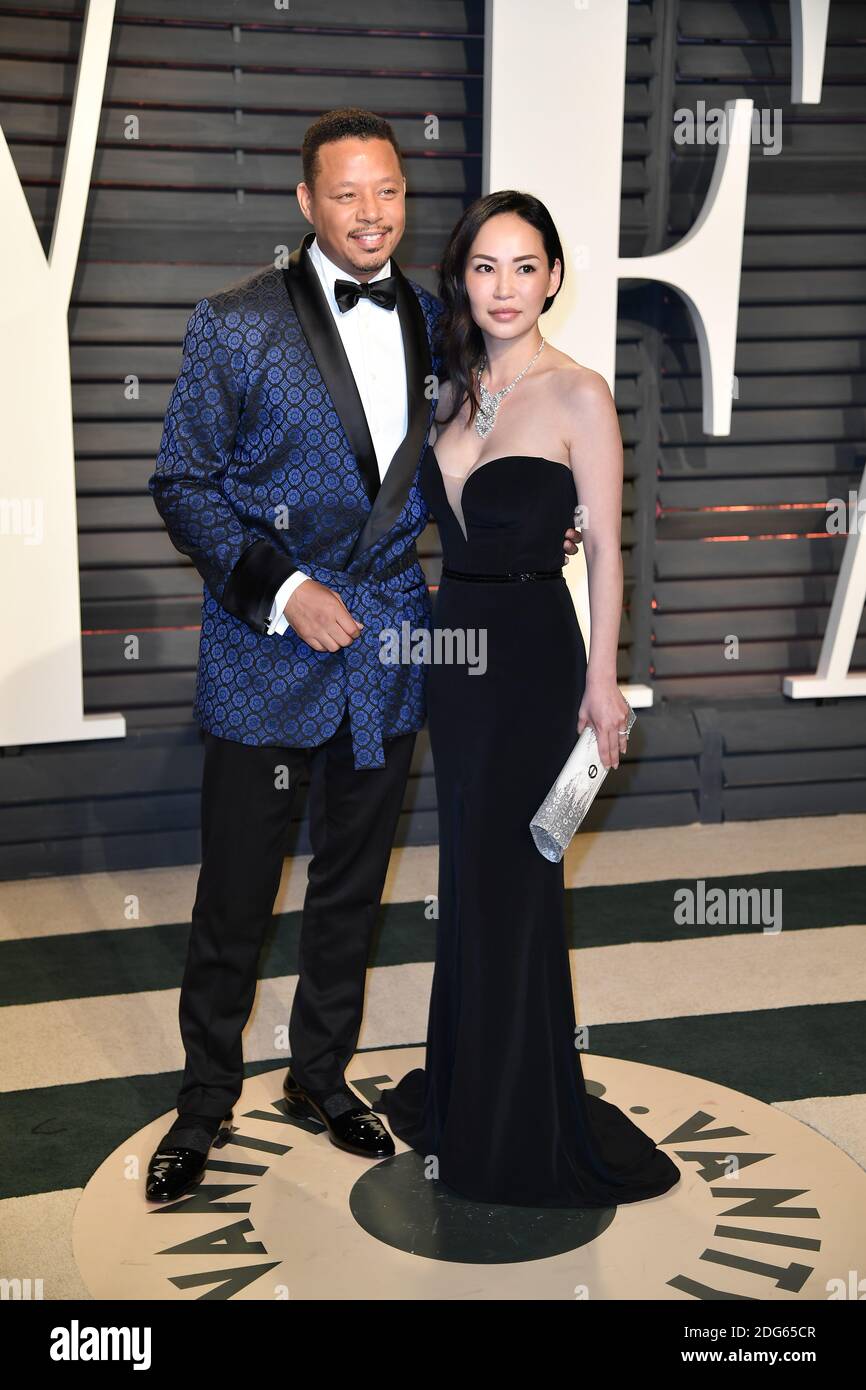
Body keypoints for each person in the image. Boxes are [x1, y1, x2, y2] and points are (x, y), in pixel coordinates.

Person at [144, 112, 580, 1201]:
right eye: (347, 194)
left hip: (388, 652)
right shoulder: (231, 325)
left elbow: (468, 462)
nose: (371, 214)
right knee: (236, 897)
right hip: (263, 655)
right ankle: (203, 1104)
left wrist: (534, 529)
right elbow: (181, 486)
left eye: (387, 192)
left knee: (351, 885)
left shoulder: (440, 327)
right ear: (306, 202)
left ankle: (319, 1073)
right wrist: (287, 592)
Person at [373, 191, 681, 1207]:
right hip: (453, 660)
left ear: (551, 277)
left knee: (516, 883)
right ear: (460, 279)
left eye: (522, 266)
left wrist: (602, 680)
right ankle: (469, 1091)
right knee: (468, 879)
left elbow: (601, 546)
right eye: (482, 267)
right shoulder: (450, 396)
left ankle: (516, 1123)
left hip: (538, 663)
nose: (502, 288)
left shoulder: (579, 395)